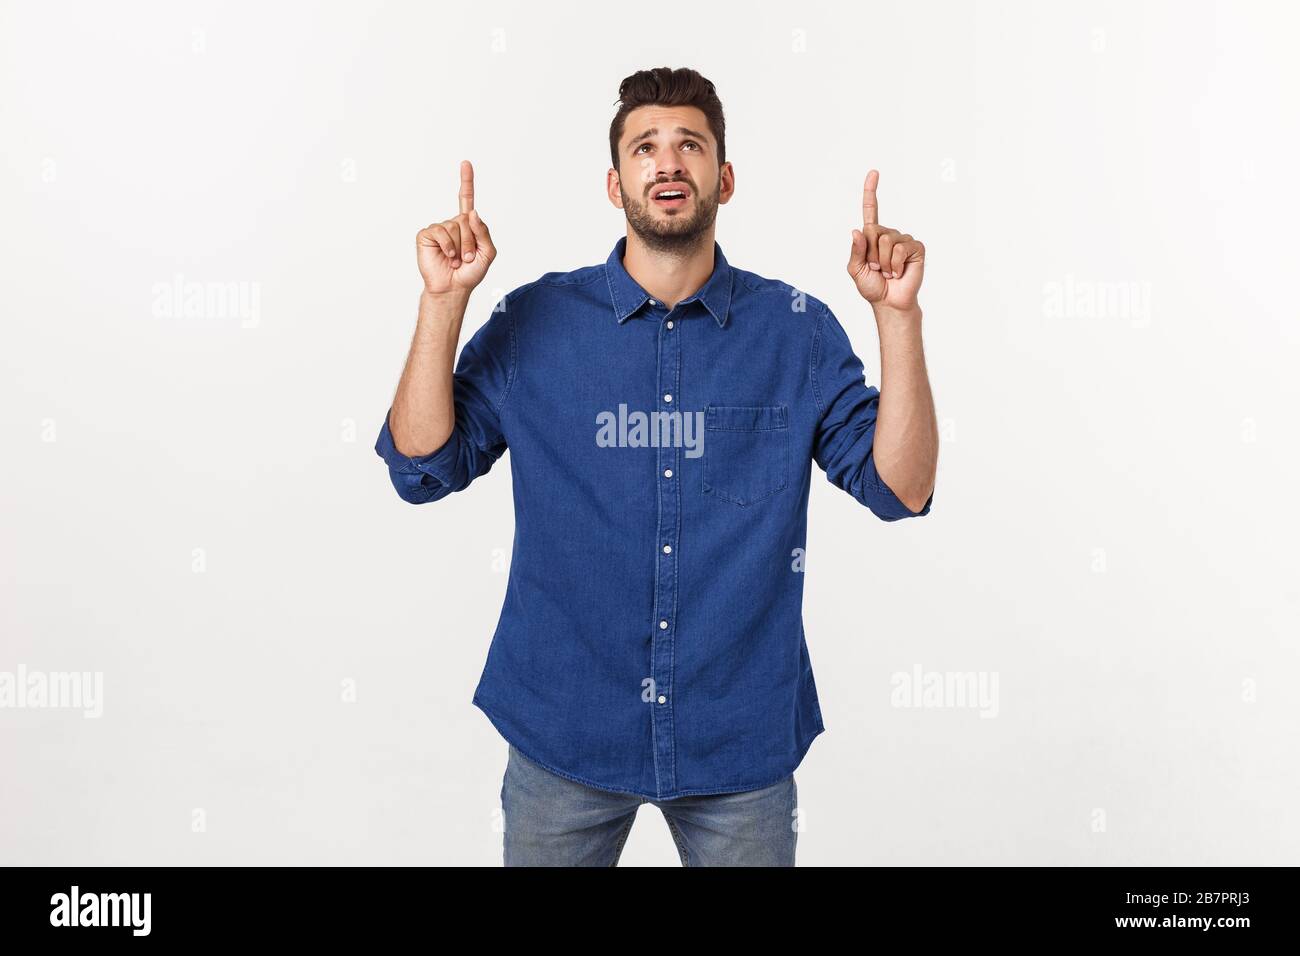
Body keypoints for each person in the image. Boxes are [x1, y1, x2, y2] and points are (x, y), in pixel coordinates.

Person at [375, 66, 938, 866]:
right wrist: (442, 302)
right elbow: (420, 467)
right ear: (616, 183)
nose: (667, 163)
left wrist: (898, 318)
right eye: (646, 147)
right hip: (563, 729)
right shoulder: (535, 321)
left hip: (737, 741)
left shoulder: (796, 331)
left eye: (691, 145)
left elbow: (900, 487)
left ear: (725, 177)